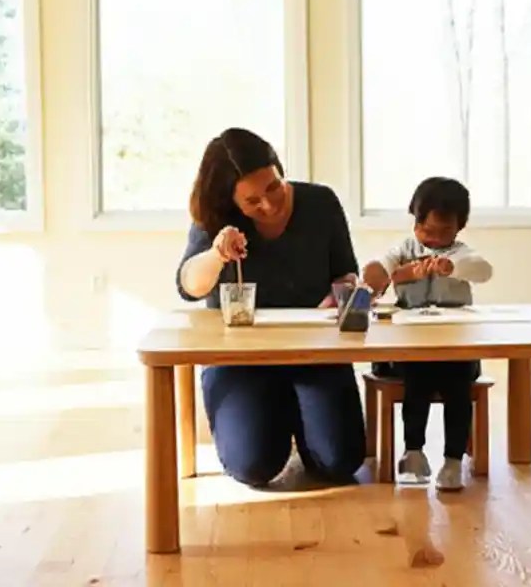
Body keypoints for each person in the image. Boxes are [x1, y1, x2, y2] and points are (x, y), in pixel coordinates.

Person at [176, 128, 366, 487]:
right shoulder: (216, 218)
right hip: (240, 359)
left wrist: (340, 294)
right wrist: (217, 253)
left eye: (273, 187)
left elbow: (346, 272)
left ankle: (297, 410)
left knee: (340, 461)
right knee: (253, 466)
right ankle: (274, 409)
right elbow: (188, 285)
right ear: (232, 202)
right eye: (252, 201)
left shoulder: (320, 203)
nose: (269, 203)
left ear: (280, 169)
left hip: (314, 351)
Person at [362, 177, 493, 491]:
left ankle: (453, 461)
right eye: (426, 230)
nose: (434, 239)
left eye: (444, 232)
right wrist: (397, 273)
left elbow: (482, 270)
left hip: (455, 347)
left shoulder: (460, 252)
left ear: (459, 227)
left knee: (458, 390)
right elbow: (379, 270)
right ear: (415, 221)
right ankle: (414, 452)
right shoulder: (404, 249)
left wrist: (451, 268)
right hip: (414, 347)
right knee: (416, 384)